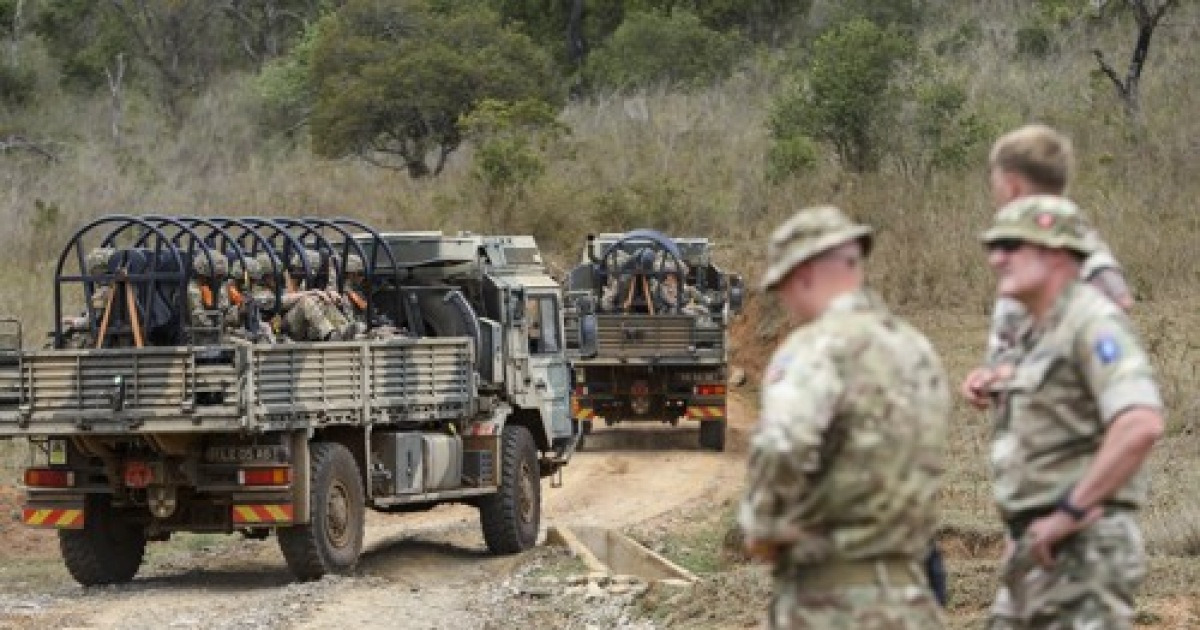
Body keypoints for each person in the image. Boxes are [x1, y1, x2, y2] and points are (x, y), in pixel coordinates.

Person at [739, 205, 949, 629]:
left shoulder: (814, 349)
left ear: (804, 274)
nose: (784, 302)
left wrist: (762, 526)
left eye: (781, 288)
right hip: (914, 599)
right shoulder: (915, 348)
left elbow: (783, 443)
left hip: (831, 602)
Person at [974, 195, 1164, 629]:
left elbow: (1140, 423)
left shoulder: (1092, 324)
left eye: (1011, 246)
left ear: (1057, 253)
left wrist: (1071, 511)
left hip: (1083, 549)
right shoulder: (1037, 330)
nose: (996, 259)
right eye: (993, 247)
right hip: (1036, 544)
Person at [972, 123, 1133, 370]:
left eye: (995, 181)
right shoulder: (1018, 246)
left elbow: (1116, 313)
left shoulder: (1076, 245)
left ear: (1013, 186)